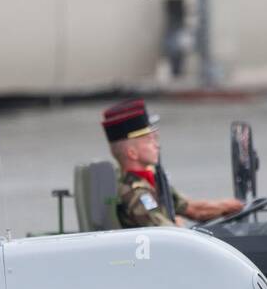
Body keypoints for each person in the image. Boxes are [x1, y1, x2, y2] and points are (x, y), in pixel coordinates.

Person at [101, 98, 243, 228]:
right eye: (150, 140)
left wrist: (228, 206)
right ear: (132, 153)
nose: (157, 145)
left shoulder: (151, 178)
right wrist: (177, 225)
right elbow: (167, 235)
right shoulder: (134, 193)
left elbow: (191, 209)